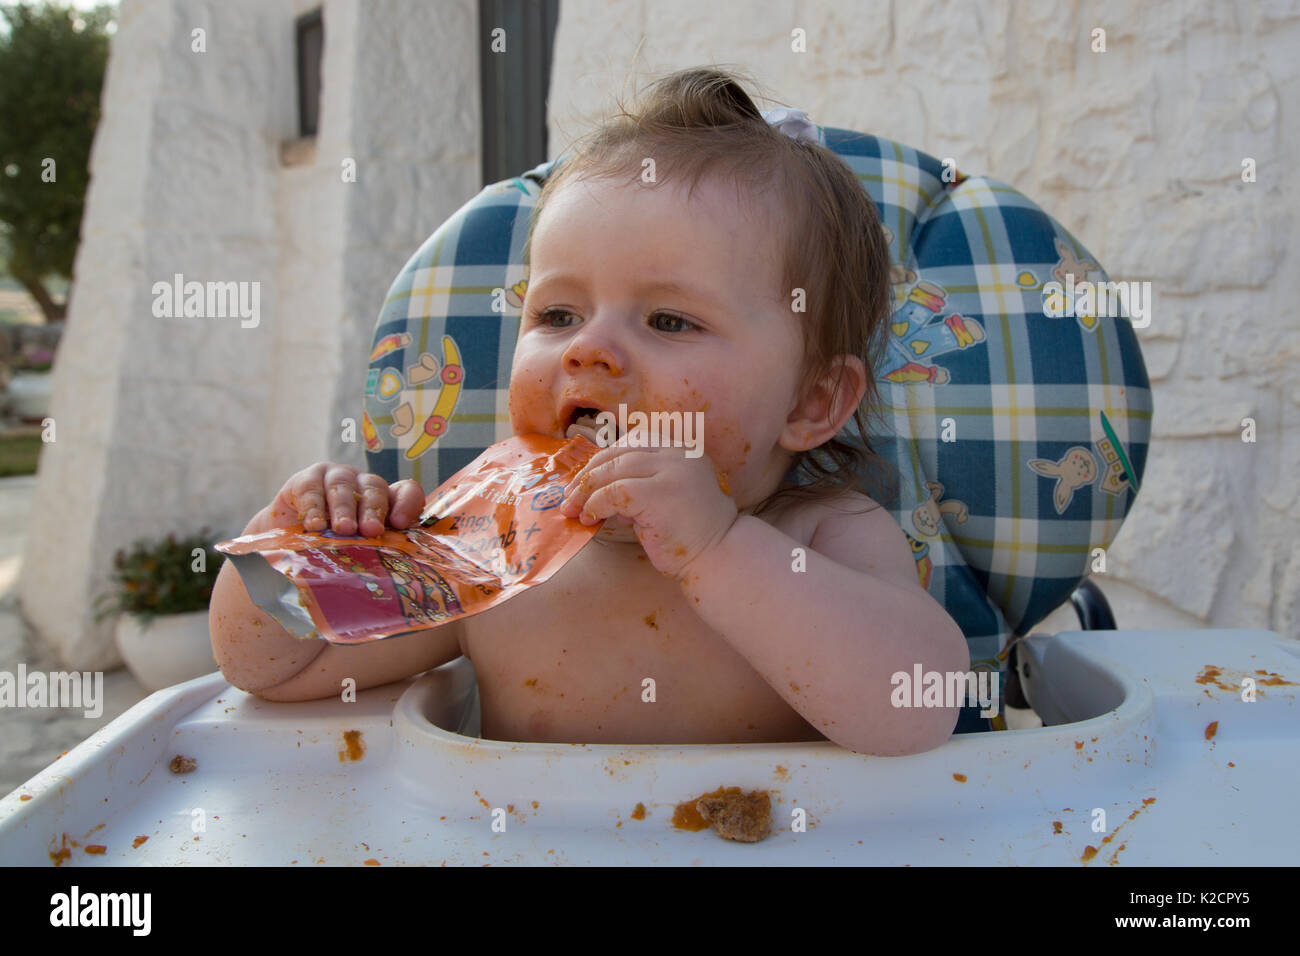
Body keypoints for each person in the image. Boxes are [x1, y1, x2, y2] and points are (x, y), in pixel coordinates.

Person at [209, 66, 968, 756]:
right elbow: (276, 671)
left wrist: (717, 547)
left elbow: (918, 707)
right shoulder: (490, 545)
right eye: (559, 316)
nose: (589, 352)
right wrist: (298, 546)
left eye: (670, 321)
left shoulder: (824, 536)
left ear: (813, 401)